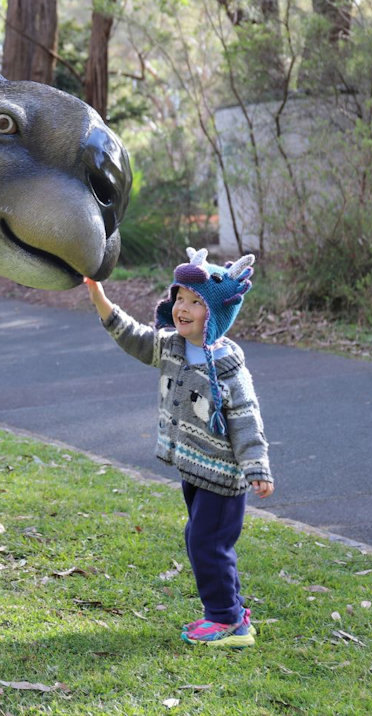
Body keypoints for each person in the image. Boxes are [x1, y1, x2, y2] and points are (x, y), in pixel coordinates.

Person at [84, 248, 274, 648]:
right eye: (179, 299)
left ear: (215, 314)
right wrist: (102, 302)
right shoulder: (171, 346)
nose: (181, 308)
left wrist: (256, 467)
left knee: (207, 543)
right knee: (201, 539)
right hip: (194, 466)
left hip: (223, 474)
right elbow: (136, 339)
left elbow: (246, 419)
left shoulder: (226, 365)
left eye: (194, 302)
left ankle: (227, 623)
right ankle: (233, 612)